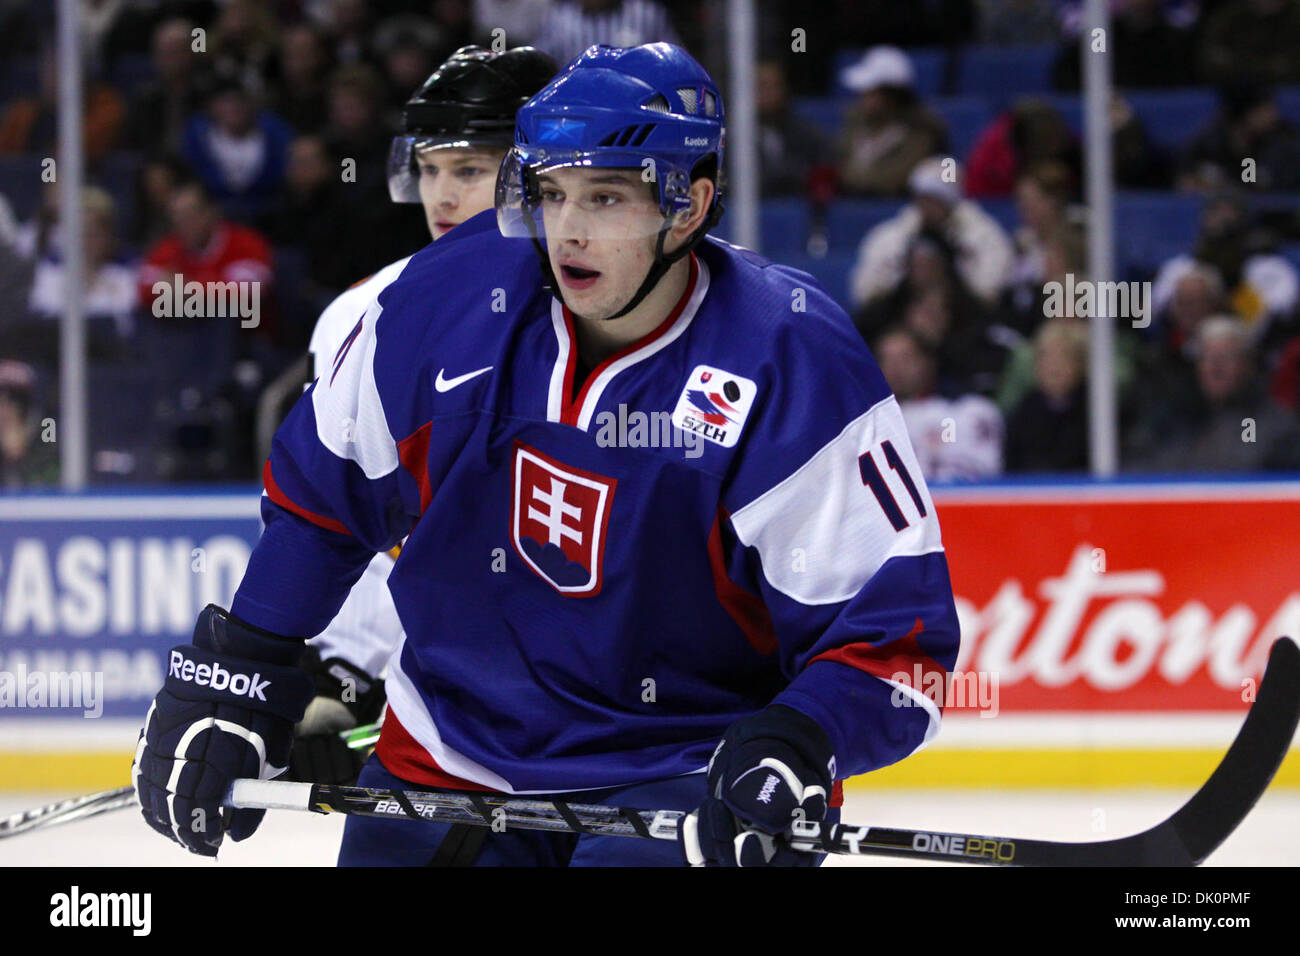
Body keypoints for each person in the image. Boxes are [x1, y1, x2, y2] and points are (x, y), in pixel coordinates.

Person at [132, 42, 961, 868]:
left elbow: (897, 644)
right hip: (448, 758)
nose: (567, 230)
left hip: (681, 778)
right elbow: (324, 503)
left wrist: (796, 743)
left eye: (605, 196)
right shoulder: (440, 302)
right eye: (552, 193)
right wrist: (244, 666)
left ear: (690, 203)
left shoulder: (790, 359)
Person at [288, 44, 559, 787]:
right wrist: (344, 672)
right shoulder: (365, 317)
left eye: (469, 171)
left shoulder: (610, 304)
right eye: (431, 169)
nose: (442, 196)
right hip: (454, 710)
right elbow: (368, 524)